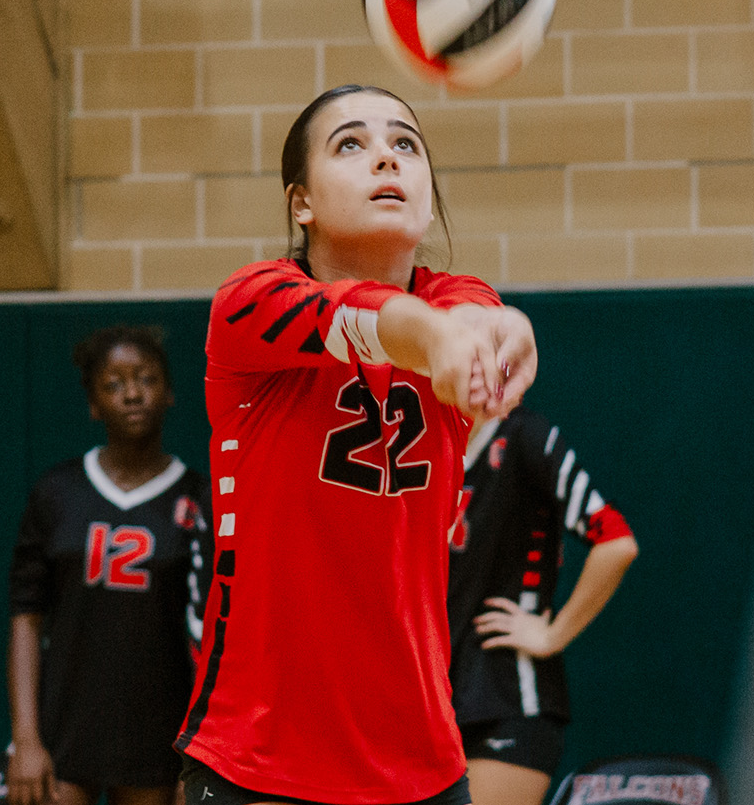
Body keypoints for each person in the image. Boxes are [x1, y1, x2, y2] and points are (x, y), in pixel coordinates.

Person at [180, 84, 538, 805]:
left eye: (405, 144)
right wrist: (435, 338)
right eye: (352, 144)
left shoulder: (460, 298)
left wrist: (510, 333)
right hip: (259, 762)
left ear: (427, 200)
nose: (386, 157)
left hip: (423, 765)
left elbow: (481, 320)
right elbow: (366, 320)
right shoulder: (251, 304)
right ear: (300, 202)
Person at [8, 326, 210, 805]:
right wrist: (26, 738)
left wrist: (201, 751)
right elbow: (25, 619)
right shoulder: (57, 491)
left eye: (146, 378)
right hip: (65, 728)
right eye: (113, 384)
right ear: (94, 404)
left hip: (159, 731)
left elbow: (212, 636)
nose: (133, 393)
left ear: (170, 392)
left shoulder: (199, 497)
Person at [448, 410, 639, 805]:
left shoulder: (527, 435)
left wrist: (552, 634)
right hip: (431, 702)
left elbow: (616, 542)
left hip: (510, 700)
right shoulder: (419, 445)